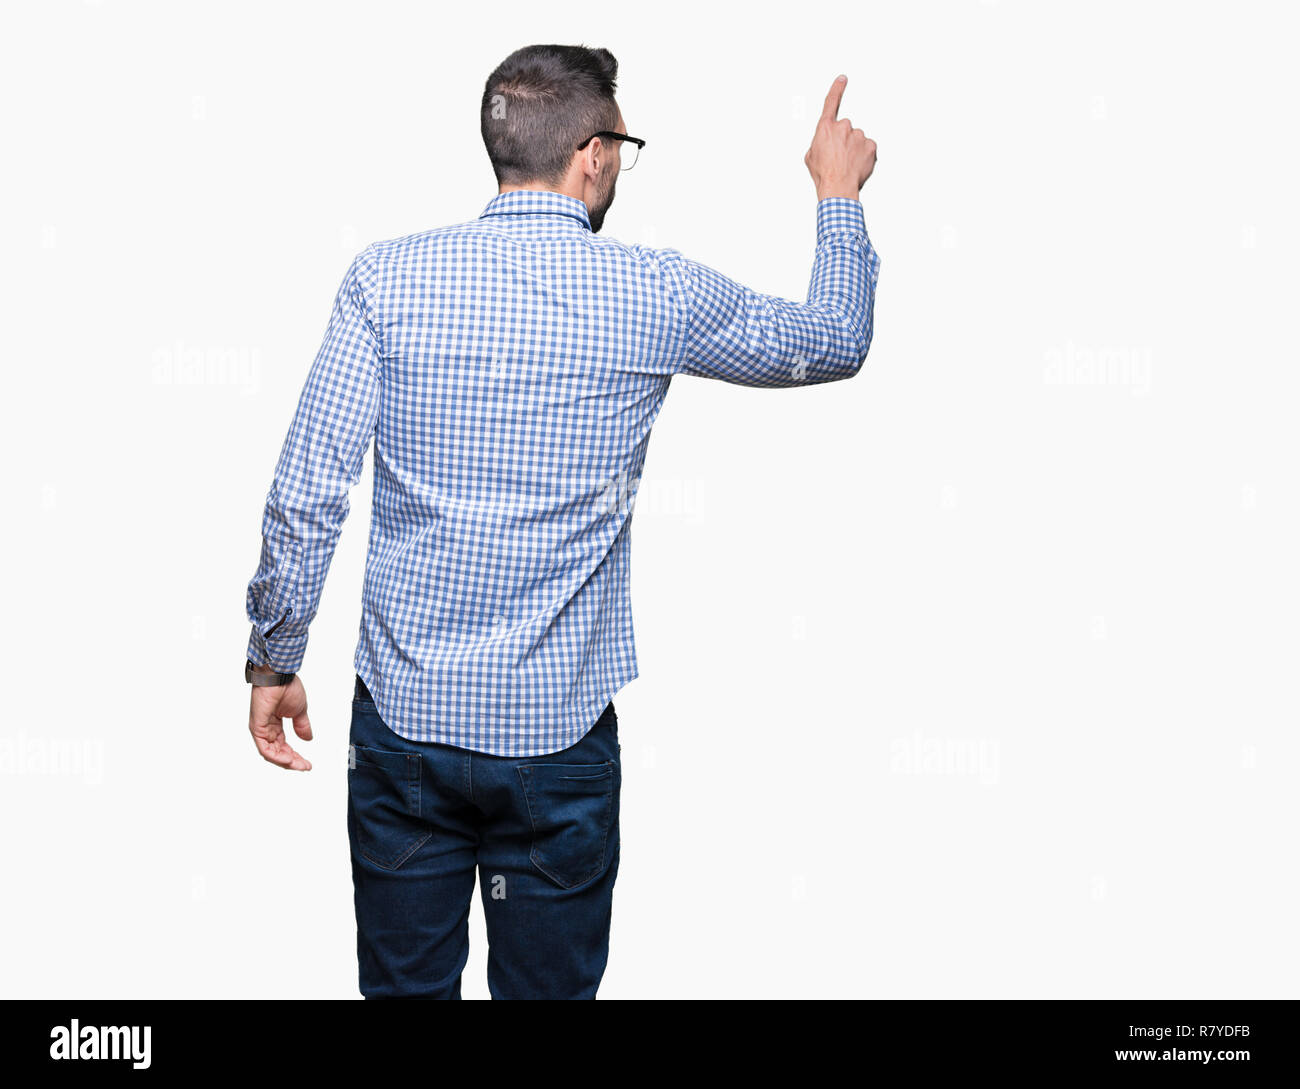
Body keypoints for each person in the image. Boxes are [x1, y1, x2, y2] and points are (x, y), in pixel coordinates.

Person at [243, 43, 880, 999]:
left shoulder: (386, 279)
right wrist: (838, 196)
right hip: (557, 741)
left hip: (405, 730)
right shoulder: (654, 292)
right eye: (622, 143)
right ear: (591, 153)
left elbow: (307, 487)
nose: (619, 161)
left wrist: (274, 657)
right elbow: (832, 340)